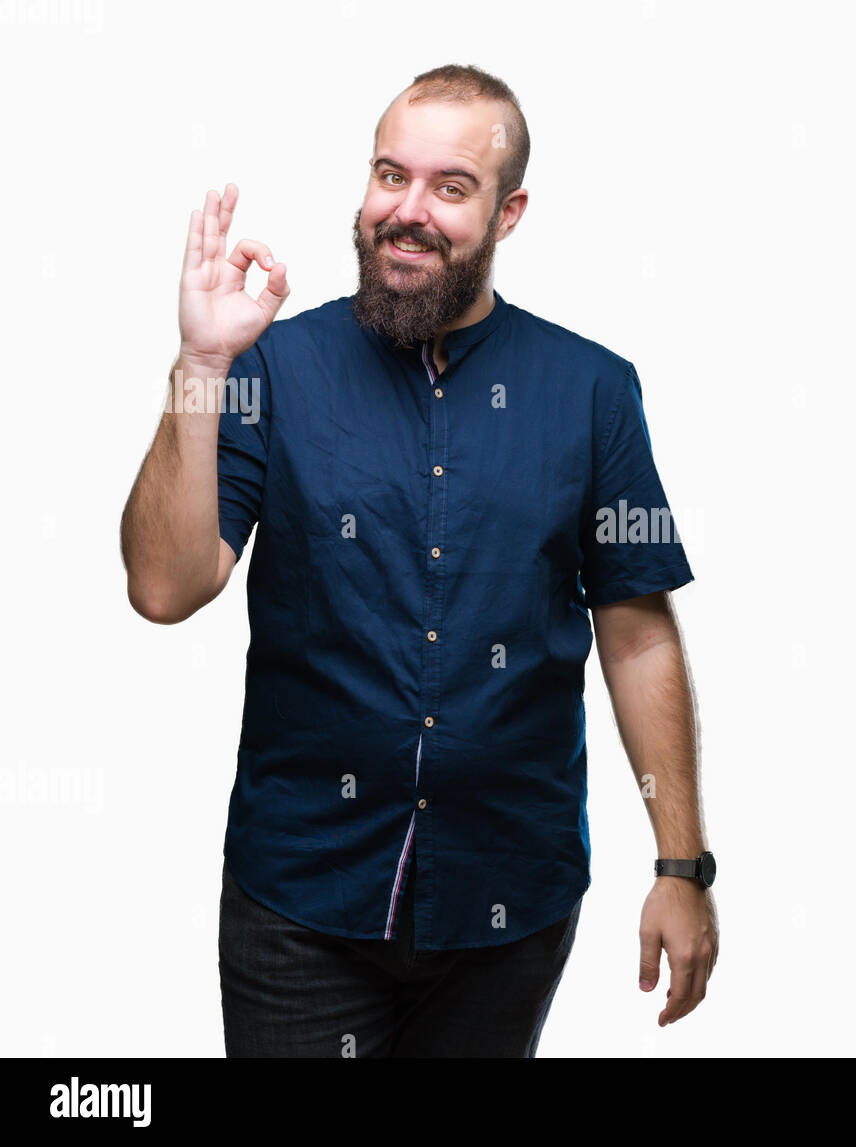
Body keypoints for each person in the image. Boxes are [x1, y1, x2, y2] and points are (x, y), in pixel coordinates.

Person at [119, 64, 718, 1058]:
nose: (409, 210)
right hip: (300, 901)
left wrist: (681, 865)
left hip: (507, 902)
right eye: (389, 176)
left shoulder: (596, 390)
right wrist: (201, 369)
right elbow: (165, 586)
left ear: (508, 211)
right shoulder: (270, 365)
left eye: (450, 187)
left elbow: (638, 630)